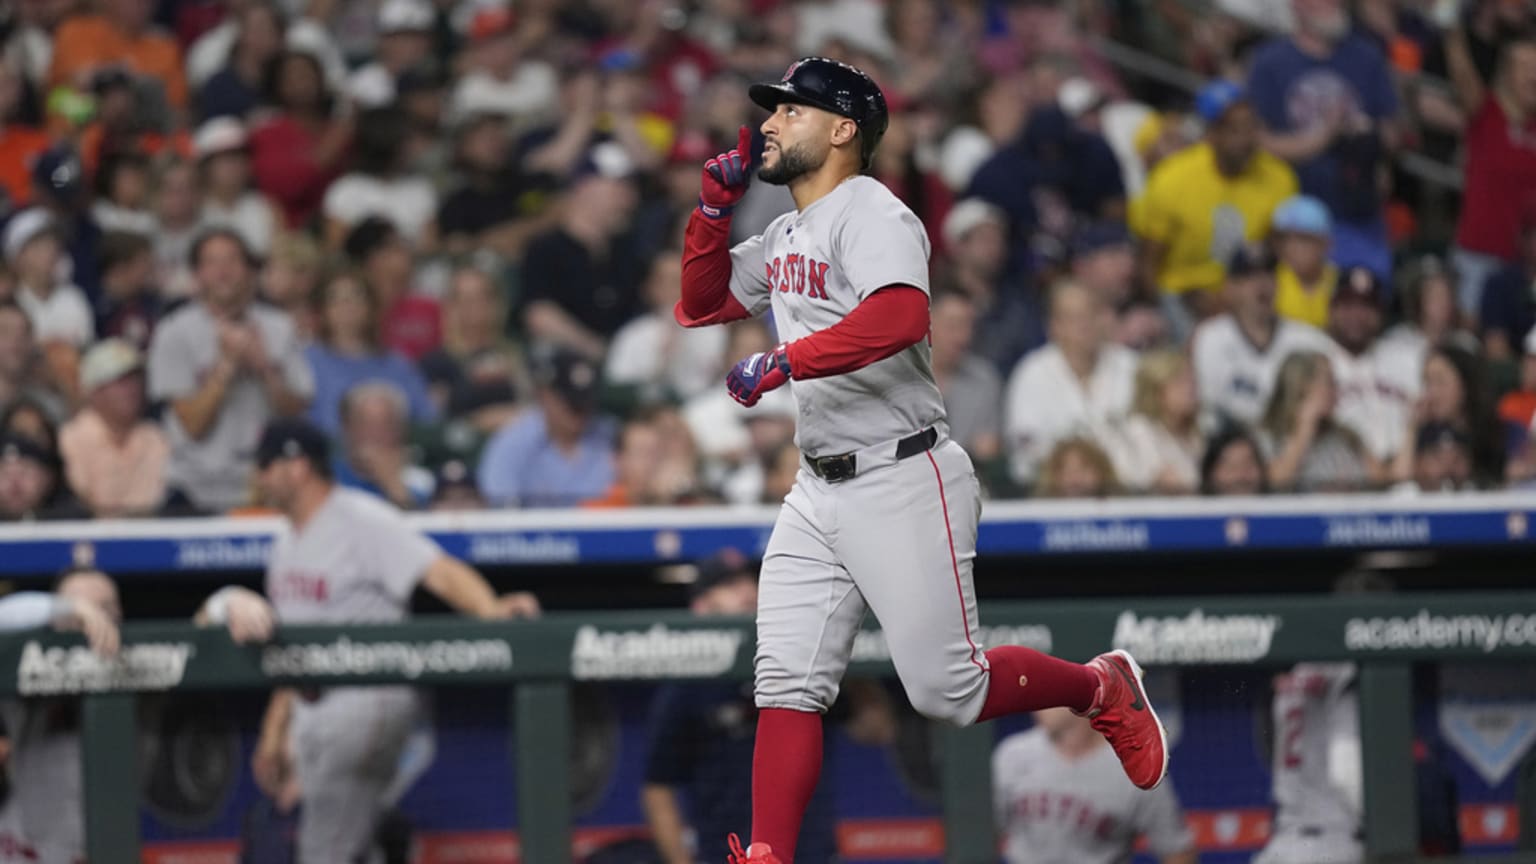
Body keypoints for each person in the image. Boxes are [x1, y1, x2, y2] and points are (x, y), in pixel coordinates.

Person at [672, 57, 1169, 864]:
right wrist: (710, 209)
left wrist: (789, 362)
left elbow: (900, 316)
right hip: (818, 483)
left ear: (843, 130)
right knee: (785, 684)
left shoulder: (875, 212)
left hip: (904, 472)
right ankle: (767, 854)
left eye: (790, 111)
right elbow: (699, 304)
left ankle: (1099, 686)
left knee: (950, 692)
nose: (767, 122)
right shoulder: (789, 230)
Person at [194, 417, 539, 864]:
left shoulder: (360, 518)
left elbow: (437, 570)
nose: (258, 478)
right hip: (313, 705)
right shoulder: (285, 544)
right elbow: (292, 646)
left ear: (297, 467)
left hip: (366, 696)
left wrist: (489, 608)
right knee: (338, 840)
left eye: (266, 466)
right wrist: (276, 729)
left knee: (324, 850)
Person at [641, 552, 839, 864]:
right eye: (730, 585)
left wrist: (846, 655)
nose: (748, 591)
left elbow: (876, 728)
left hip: (809, 850)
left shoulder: (799, 663)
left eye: (751, 581)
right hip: (729, 852)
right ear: (701, 606)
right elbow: (658, 786)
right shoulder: (687, 686)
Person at [147, 228, 313, 512]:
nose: (223, 271)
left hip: (266, 486)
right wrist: (226, 365)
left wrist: (266, 368)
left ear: (250, 271)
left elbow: (297, 410)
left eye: (232, 261)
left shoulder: (279, 327)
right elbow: (193, 425)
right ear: (197, 275)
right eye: (212, 263)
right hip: (194, 488)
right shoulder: (174, 331)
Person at [1133, 81, 1297, 320]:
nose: (1245, 140)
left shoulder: (1279, 178)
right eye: (1234, 130)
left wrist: (1240, 292)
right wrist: (1161, 313)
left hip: (1247, 290)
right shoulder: (1172, 177)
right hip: (1182, 292)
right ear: (1213, 134)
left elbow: (1282, 253)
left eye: (1251, 128)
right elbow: (1149, 260)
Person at [0, 567, 122, 864]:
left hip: (112, 848)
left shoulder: (140, 666)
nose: (92, 618)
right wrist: (69, 608)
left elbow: (202, 629)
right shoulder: (22, 672)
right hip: (27, 851)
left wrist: (228, 602)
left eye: (104, 607)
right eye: (80, 607)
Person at [994, 707, 1197, 864]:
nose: (1036, 704)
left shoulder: (1135, 767)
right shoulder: (1012, 755)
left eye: (1048, 691)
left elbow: (1177, 851)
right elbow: (980, 833)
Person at [1004, 281, 1138, 487]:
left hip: (1126, 491)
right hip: (1054, 495)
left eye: (1091, 315)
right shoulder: (1032, 373)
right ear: (1054, 326)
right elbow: (1026, 453)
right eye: (1074, 318)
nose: (1084, 325)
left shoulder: (1130, 367)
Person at [519, 142, 644, 362]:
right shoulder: (546, 248)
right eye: (618, 187)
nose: (628, 198)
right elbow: (539, 315)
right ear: (584, 186)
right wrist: (599, 351)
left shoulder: (627, 248)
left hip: (626, 361)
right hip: (565, 363)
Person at [1192, 244, 1335, 430]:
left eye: (1268, 274)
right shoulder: (1211, 336)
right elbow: (1209, 408)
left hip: (1291, 440)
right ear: (1231, 287)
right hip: (1232, 441)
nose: (1261, 285)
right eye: (1249, 277)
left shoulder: (1308, 339)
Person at [1453, 35, 1536, 317]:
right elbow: (1463, 76)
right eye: (1524, 66)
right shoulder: (1486, 113)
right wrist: (1452, 33)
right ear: (1506, 73)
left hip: (1525, 265)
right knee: (1471, 333)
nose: (1532, 75)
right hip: (1479, 253)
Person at [1252, 662, 1364, 864]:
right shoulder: (1343, 674)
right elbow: (1347, 775)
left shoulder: (1293, 674)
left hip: (1284, 843)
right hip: (1335, 840)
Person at [303, 269, 436, 438]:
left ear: (371, 307)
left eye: (355, 297)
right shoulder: (308, 361)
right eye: (336, 299)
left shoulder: (397, 363)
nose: (347, 306)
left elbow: (427, 419)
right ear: (323, 311)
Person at [476, 348, 616, 508]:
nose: (580, 410)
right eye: (571, 403)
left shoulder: (610, 435)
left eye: (586, 401)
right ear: (544, 396)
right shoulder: (512, 443)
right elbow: (499, 510)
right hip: (532, 532)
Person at [57, 339, 168, 517]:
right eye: (120, 382)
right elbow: (79, 504)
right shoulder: (70, 438)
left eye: (135, 380)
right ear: (94, 390)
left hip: (147, 537)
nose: (132, 389)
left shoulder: (156, 438)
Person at [1327, 267, 1422, 464]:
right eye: (1348, 305)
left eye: (1366, 306)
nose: (1357, 315)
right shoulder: (1316, 359)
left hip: (1405, 478)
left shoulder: (1406, 358)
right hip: (1342, 479)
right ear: (1332, 309)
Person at [1259, 350, 1385, 493]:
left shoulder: (1347, 436)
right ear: (1303, 386)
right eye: (1330, 382)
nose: (1336, 390)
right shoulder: (1266, 435)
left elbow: (1381, 480)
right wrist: (1305, 425)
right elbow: (1276, 482)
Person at [1108, 351, 1202, 495]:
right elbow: (1163, 481)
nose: (1191, 389)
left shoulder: (1196, 435)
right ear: (1156, 391)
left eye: (1192, 381)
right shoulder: (1138, 430)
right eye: (1180, 382)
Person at [332, 381, 434, 509]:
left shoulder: (421, 481)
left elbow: (418, 525)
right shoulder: (327, 479)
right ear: (347, 429)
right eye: (366, 424)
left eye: (386, 425)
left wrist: (394, 485)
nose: (376, 435)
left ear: (401, 431)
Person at [929, 289, 1003, 464]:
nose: (962, 337)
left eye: (968, 326)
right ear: (928, 324)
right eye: (952, 326)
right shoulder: (904, 378)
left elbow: (989, 447)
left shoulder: (985, 380)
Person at [196, 117, 279, 258]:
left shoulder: (268, 209)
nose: (233, 166)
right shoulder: (192, 209)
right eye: (224, 159)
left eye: (239, 157)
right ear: (205, 167)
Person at [1272, 195, 1339, 330]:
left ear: (1326, 244)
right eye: (1286, 239)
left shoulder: (1340, 283)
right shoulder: (1269, 282)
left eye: (1304, 239)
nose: (1293, 247)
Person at [1035, 436, 1120, 498]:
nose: (1075, 478)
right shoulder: (1034, 513)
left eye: (1084, 469)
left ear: (1101, 471)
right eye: (1066, 471)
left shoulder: (1123, 509)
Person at [1199, 426, 1270, 496]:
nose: (1240, 475)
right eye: (1230, 467)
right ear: (1210, 473)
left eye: (1248, 466)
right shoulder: (1191, 505)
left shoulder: (1278, 503)